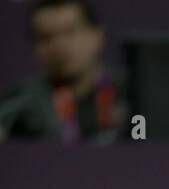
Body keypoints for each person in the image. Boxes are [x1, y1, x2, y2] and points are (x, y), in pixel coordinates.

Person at [0, 0, 125, 143]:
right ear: (35, 49)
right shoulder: (18, 104)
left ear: (97, 35)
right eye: (46, 37)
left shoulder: (133, 94)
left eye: (70, 32)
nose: (59, 46)